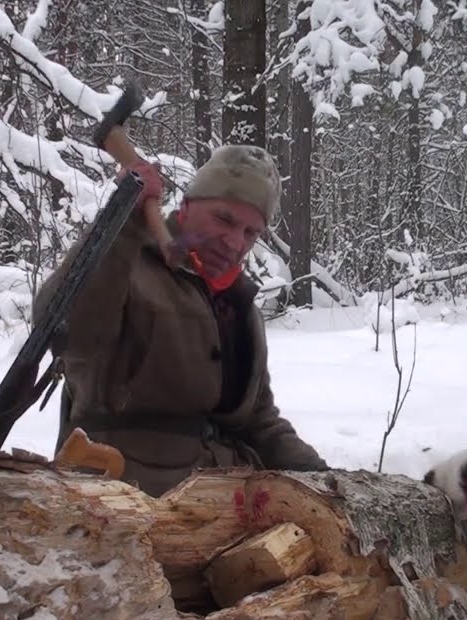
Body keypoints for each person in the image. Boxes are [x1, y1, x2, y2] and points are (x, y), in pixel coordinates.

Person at [33, 145, 328, 497]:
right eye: (225, 219)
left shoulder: (239, 304)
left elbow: (259, 421)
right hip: (121, 497)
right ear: (187, 205)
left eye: (251, 232)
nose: (236, 243)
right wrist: (122, 220)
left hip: (223, 500)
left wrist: (324, 480)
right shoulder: (127, 263)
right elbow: (68, 334)